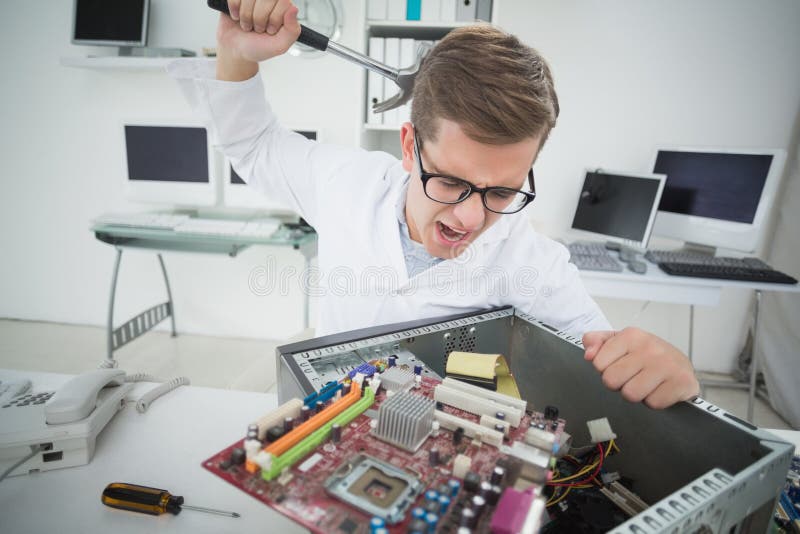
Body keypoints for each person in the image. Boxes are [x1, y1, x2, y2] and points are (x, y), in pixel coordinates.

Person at [168, 0, 699, 409]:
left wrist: (661, 374)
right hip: (330, 420)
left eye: (501, 191)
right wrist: (235, 51)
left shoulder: (535, 265)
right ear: (408, 147)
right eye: (449, 181)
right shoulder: (345, 182)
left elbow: (599, 366)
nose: (471, 218)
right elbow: (255, 146)